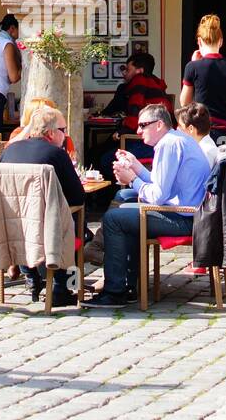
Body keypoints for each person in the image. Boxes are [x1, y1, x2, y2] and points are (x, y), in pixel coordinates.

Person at [85, 104, 210, 308]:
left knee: (113, 219)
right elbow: (161, 183)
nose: (138, 130)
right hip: (189, 212)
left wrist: (132, 179)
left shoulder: (168, 145)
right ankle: (128, 284)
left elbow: (158, 196)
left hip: (186, 218)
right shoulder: (175, 140)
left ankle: (115, 291)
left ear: (159, 124)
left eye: (143, 125)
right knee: (124, 200)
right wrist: (136, 166)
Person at [0, 105, 84, 306]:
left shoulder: (9, 151)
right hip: (45, 230)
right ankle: (62, 288)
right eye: (63, 130)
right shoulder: (56, 154)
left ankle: (32, 278)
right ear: (52, 133)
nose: (65, 135)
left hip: (10, 226)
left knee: (28, 221)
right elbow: (78, 197)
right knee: (76, 223)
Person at [95, 52, 171, 179]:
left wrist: (121, 131)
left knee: (104, 159)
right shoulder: (156, 83)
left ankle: (118, 190)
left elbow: (135, 112)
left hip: (145, 143)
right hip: (161, 141)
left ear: (139, 71)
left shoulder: (139, 81)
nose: (124, 73)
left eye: (128, 69)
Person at [179, 14, 226, 147]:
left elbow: (184, 103)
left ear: (199, 41)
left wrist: (193, 64)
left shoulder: (193, 67)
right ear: (220, 41)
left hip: (201, 131)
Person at [9, 96, 76, 159]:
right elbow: (10, 149)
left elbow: (72, 162)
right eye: (46, 113)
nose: (50, 117)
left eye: (52, 113)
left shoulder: (63, 137)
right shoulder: (20, 132)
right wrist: (30, 126)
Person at [176, 102, 219, 168]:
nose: (177, 129)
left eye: (180, 126)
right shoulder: (204, 147)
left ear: (191, 128)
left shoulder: (203, 153)